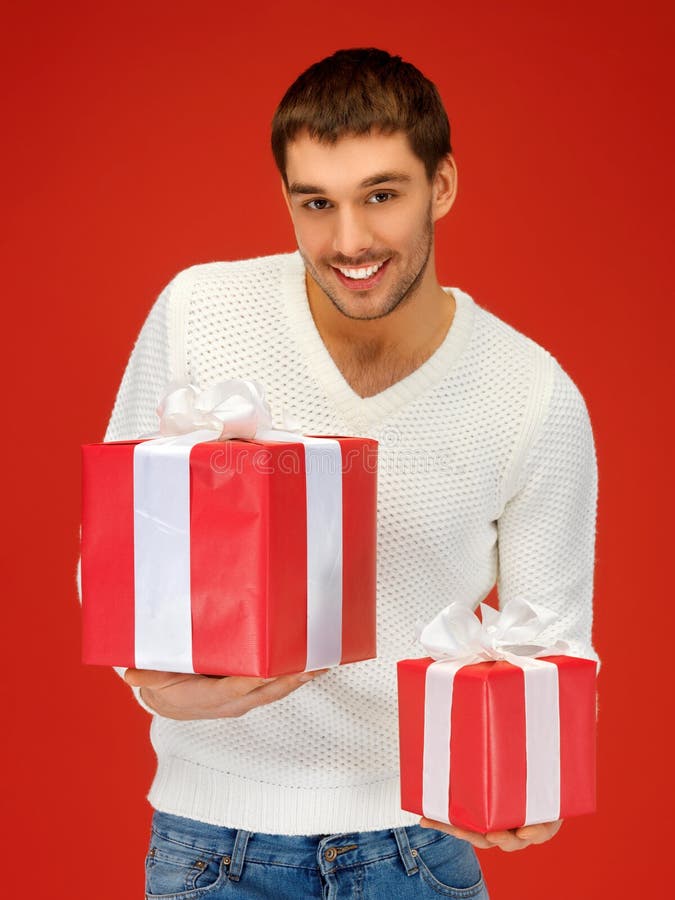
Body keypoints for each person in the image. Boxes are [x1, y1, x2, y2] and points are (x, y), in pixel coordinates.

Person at [83, 47, 599, 898]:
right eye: (315, 203)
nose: (348, 240)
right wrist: (149, 688)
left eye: (381, 196)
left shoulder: (531, 394)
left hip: (417, 852)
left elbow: (551, 643)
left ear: (442, 186)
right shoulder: (201, 312)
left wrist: (533, 780)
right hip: (211, 845)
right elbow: (114, 566)